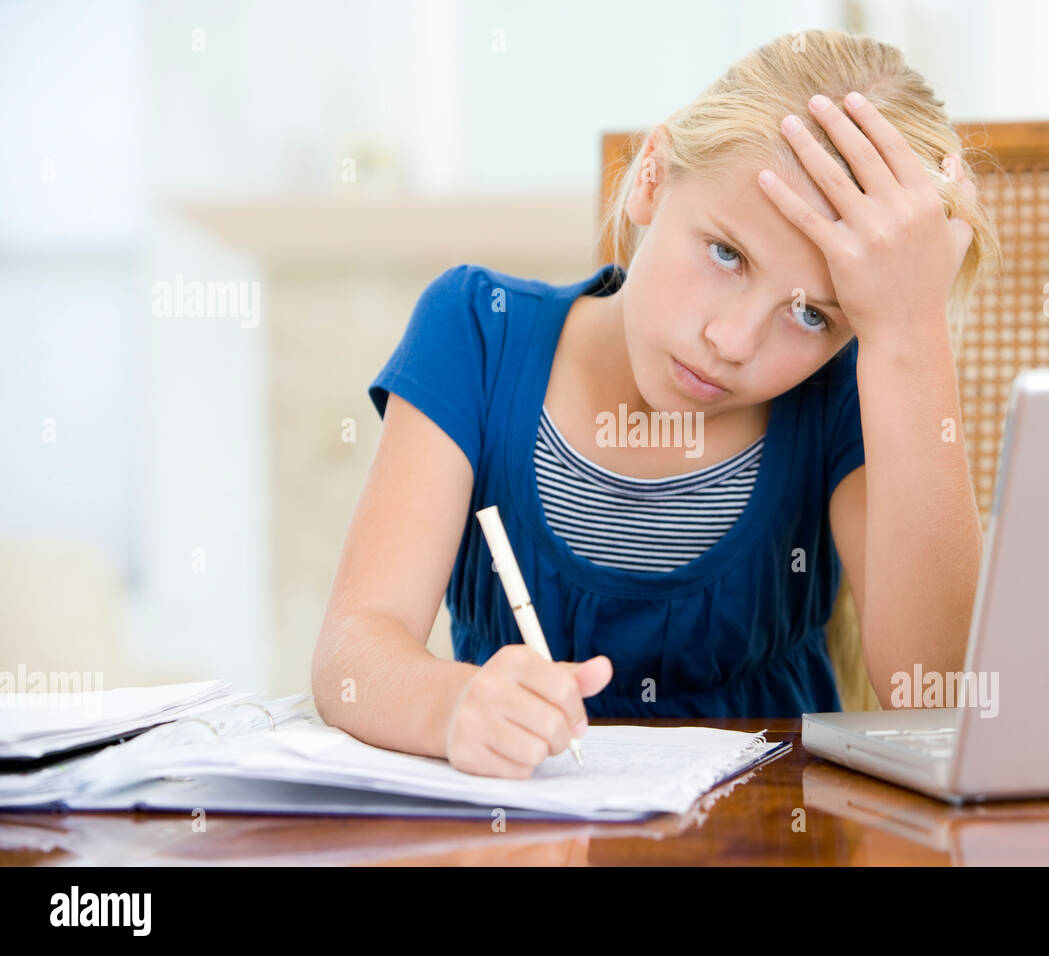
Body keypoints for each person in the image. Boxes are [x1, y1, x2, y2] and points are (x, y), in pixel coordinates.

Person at [312, 28, 1001, 779]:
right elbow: (354, 648)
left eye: (811, 316)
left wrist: (907, 330)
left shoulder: (845, 389)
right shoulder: (478, 333)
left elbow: (936, 704)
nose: (732, 341)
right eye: (726, 254)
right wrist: (449, 705)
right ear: (652, 175)